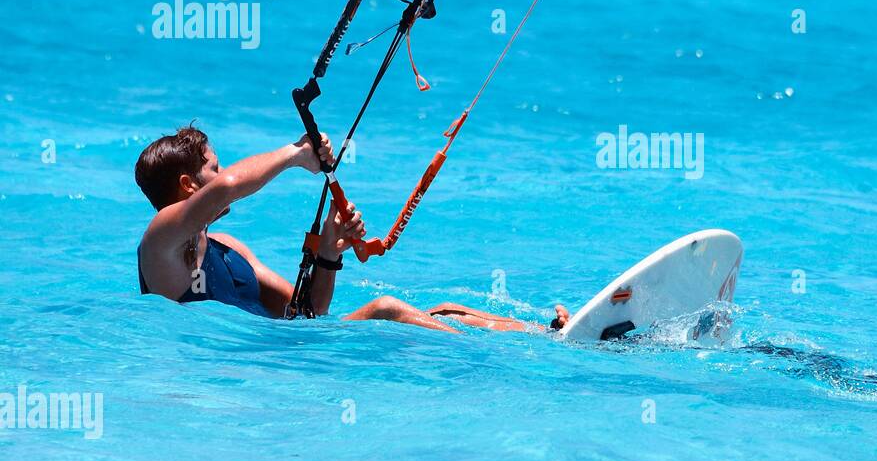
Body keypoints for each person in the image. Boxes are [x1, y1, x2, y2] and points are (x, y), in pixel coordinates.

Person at [134, 125, 567, 333]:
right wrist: (295, 154)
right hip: (260, 367)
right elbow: (228, 188)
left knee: (447, 310)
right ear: (189, 186)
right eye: (213, 166)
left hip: (282, 353)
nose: (224, 171)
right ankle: (540, 353)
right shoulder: (160, 243)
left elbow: (308, 313)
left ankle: (549, 336)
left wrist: (328, 252)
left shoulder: (228, 248)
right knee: (386, 308)